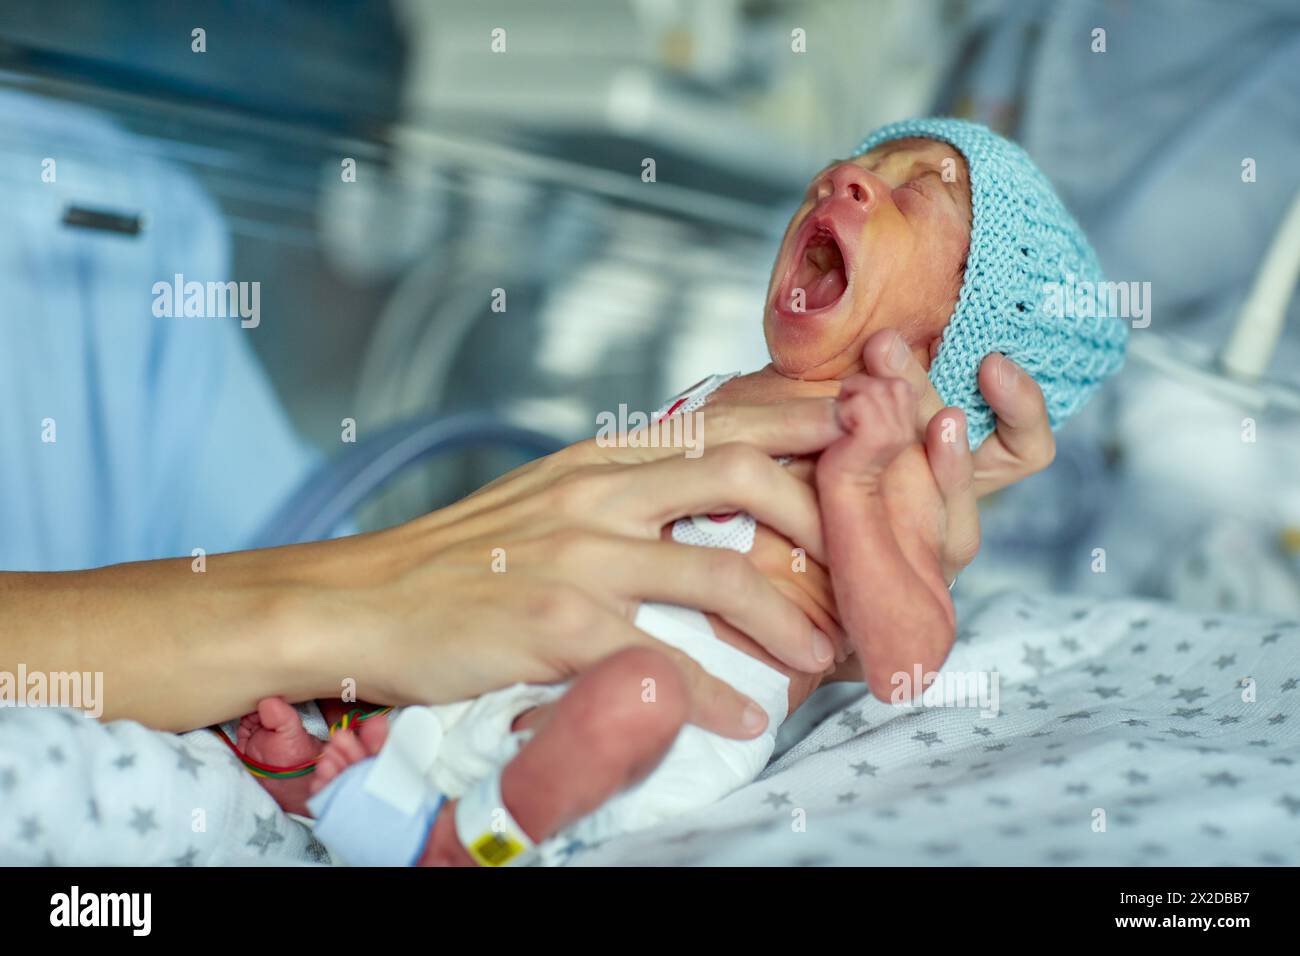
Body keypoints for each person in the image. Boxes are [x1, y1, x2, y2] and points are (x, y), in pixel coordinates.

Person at [234, 118, 1123, 866]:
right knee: (447, 633)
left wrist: (850, 489)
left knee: (632, 695)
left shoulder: (890, 459)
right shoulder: (730, 388)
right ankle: (342, 786)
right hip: (542, 642)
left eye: (917, 191)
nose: (848, 178)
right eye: (859, 166)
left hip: (672, 719)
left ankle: (475, 845)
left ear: (946, 342)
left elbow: (908, 663)